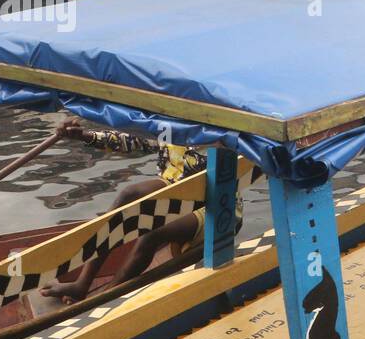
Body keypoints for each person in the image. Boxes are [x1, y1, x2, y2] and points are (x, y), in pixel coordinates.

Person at [39, 119, 254, 302]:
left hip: (215, 205)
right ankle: (82, 284)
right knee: (128, 194)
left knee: (153, 232)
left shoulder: (222, 128)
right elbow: (133, 141)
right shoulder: (171, 121)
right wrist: (83, 136)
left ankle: (106, 296)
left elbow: (253, 159)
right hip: (174, 188)